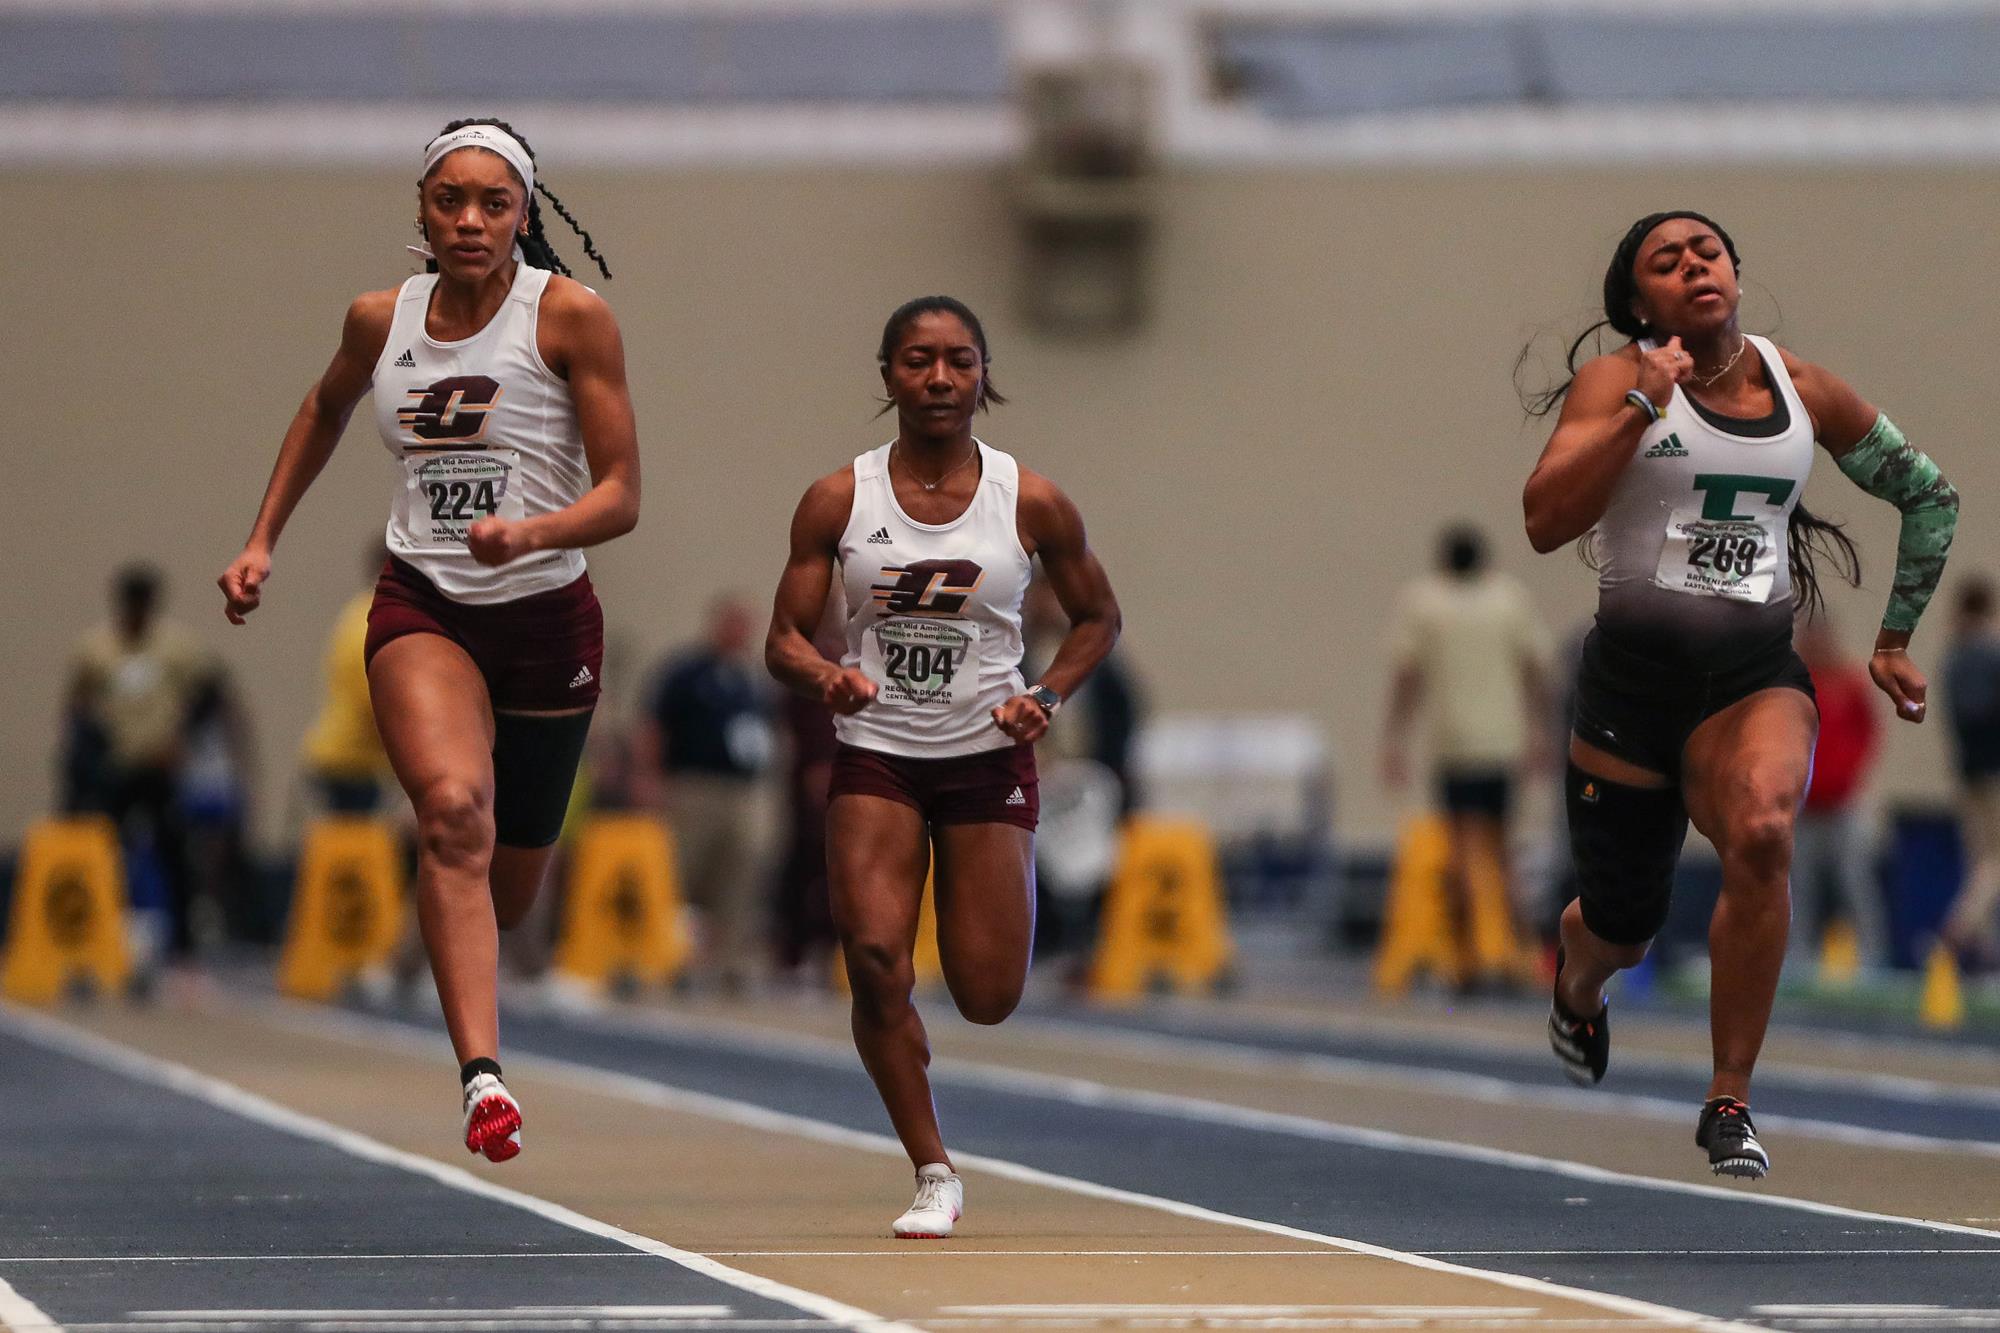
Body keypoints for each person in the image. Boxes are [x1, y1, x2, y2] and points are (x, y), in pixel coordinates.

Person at [218, 117, 636, 1163]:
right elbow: (320, 410)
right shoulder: (379, 319)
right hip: (424, 603)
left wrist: (530, 530)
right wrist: (262, 539)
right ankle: (483, 1079)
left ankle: (471, 974)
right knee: (452, 813)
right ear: (421, 208)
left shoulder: (572, 319)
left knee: (508, 883)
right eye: (449, 199)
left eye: (492, 203)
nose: (468, 220)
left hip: (545, 616)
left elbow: (624, 495)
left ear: (523, 215)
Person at [1522, 210, 1957, 1179]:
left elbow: (1929, 493)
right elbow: (1544, 518)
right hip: (1629, 688)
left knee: (1763, 831)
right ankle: (1576, 987)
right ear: (1639, 302)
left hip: (1749, 675)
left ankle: (1727, 1097)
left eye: (1704, 252)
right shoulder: (1613, 379)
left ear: (1733, 270)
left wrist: (1890, 638)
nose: (1691, 268)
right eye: (1664, 263)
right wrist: (1641, 405)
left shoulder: (1796, 386)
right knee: (1619, 929)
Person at [765, 295, 1121, 1238]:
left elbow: (1099, 620)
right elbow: (782, 641)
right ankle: (933, 1167)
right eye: (918, 360)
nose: (938, 378)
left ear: (983, 376)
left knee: (990, 995)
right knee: (877, 960)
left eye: (958, 361)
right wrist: (828, 676)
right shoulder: (840, 499)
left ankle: (936, 1067)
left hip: (986, 758)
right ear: (886, 375)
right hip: (877, 754)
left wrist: (1043, 698)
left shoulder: (1030, 499)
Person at [1380, 523, 1554, 989]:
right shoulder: (1509, 599)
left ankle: (1468, 961)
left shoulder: (1424, 603)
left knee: (1460, 855)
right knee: (1501, 854)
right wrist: (1541, 732)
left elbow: (1407, 677)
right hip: (1502, 741)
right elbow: (1534, 669)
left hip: (1454, 744)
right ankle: (1525, 958)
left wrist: (1394, 738)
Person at [66, 564, 221, 964]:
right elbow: (78, 706)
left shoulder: (176, 647)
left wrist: (182, 740)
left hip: (160, 767)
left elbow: (209, 695)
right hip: (117, 768)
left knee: (174, 854)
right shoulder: (97, 648)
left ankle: (182, 947)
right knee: (106, 855)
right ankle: (100, 938)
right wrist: (92, 755)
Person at [635, 595, 777, 994]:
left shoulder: (750, 680)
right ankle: (671, 956)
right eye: (733, 624)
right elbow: (653, 726)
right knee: (682, 873)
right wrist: (650, 778)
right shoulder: (686, 672)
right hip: (694, 787)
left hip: (741, 792)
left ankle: (728, 964)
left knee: (740, 874)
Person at [1788, 612, 1884, 975]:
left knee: (1855, 883)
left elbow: (1869, 733)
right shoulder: (1795, 685)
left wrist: (1849, 774)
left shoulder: (1850, 683)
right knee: (1800, 887)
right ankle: (1797, 958)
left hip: (1842, 806)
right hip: (1803, 807)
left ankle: (1873, 958)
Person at [302, 542, 397, 815]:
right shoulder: (372, 622)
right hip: (349, 765)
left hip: (350, 759)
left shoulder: (360, 612)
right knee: (361, 852)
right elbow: (376, 701)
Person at [1941, 578, 2000, 967]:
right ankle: (1959, 928)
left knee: (1978, 860)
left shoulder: (1954, 658)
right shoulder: (1989, 656)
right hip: (1993, 771)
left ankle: (1985, 956)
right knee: (1994, 862)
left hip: (1968, 773)